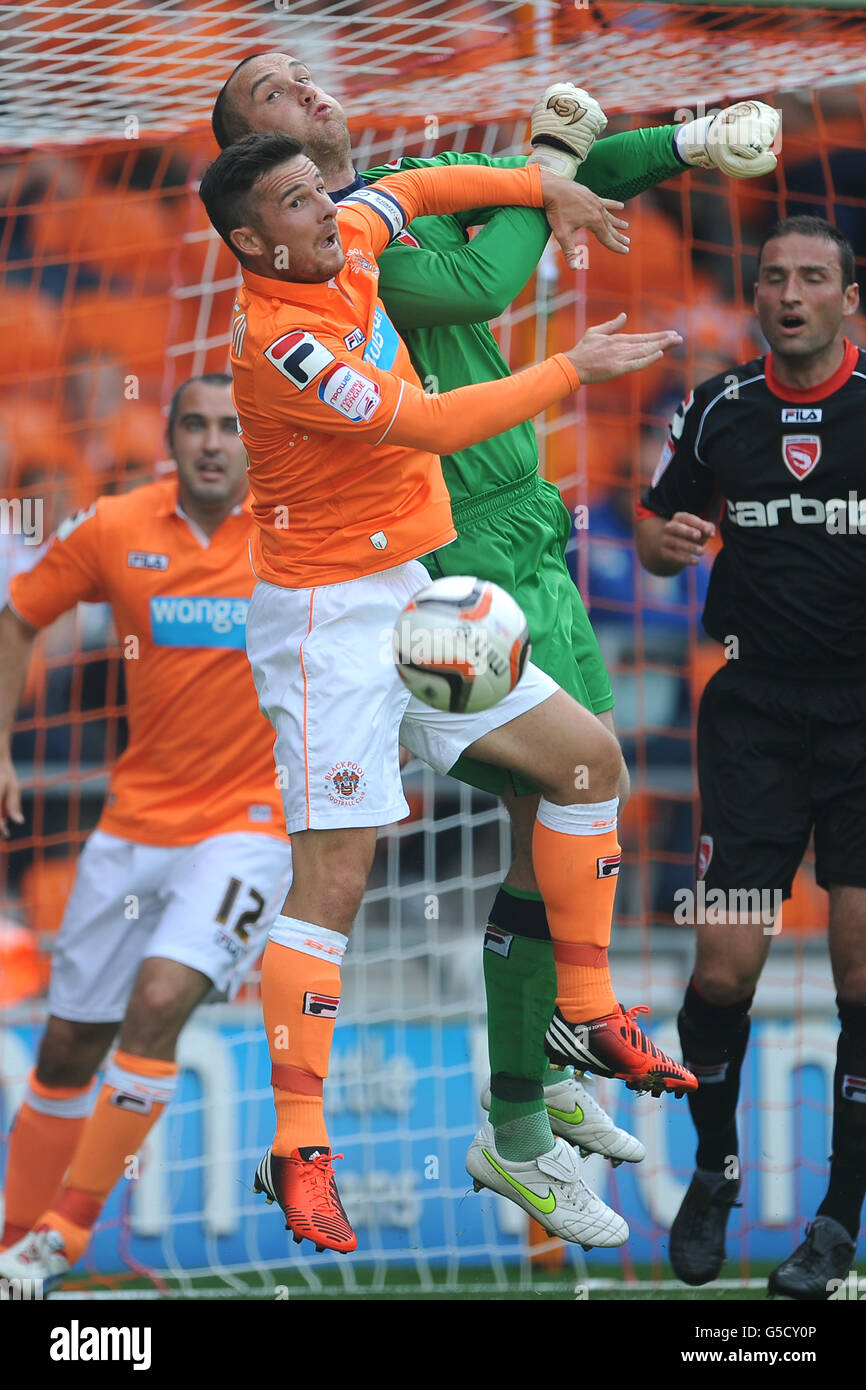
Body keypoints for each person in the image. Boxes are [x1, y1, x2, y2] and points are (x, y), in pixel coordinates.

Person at [211, 54, 780, 1187]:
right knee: (343, 867)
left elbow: (458, 191)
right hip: (392, 573)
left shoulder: (364, 212)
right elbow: (469, 313)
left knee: (583, 778)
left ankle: (561, 1049)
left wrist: (677, 146)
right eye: (273, 96)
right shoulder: (294, 325)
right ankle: (351, 1137)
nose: (310, 90)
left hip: (492, 545)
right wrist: (548, 183)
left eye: (301, 76)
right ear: (250, 199)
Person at [0, 375, 293, 1292]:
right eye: (195, 426)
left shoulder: (300, 535)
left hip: (250, 826)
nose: (213, 443)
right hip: (133, 826)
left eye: (231, 428)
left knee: (163, 996)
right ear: (169, 439)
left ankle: (66, 1234)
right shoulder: (116, 527)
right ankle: (15, 1252)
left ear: (255, 443)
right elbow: (17, 616)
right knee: (66, 1049)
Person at [636, 215, 866, 1300]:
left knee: (857, 972)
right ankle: (714, 1168)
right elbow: (652, 528)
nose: (788, 292)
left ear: (845, 298)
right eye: (772, 276)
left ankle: (834, 1222)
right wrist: (665, 541)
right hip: (755, 717)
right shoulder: (720, 408)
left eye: (811, 277)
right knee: (723, 966)